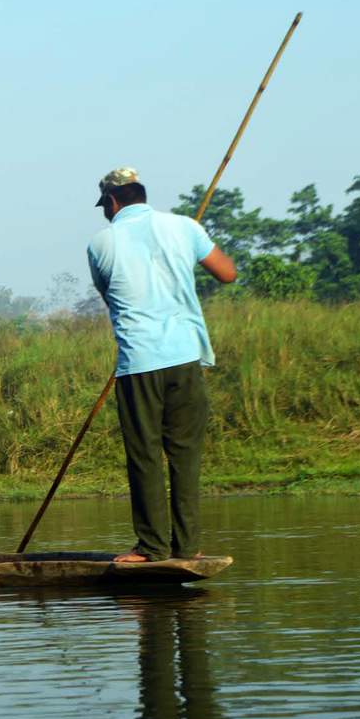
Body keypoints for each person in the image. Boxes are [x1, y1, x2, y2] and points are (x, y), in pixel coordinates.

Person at [88, 167, 237, 563]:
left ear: (113, 201)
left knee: (145, 455)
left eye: (105, 205)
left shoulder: (100, 244)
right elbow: (227, 273)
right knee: (185, 454)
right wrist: (187, 255)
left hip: (139, 362)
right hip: (185, 356)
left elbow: (113, 300)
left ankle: (152, 547)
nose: (105, 212)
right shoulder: (184, 227)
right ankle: (186, 546)